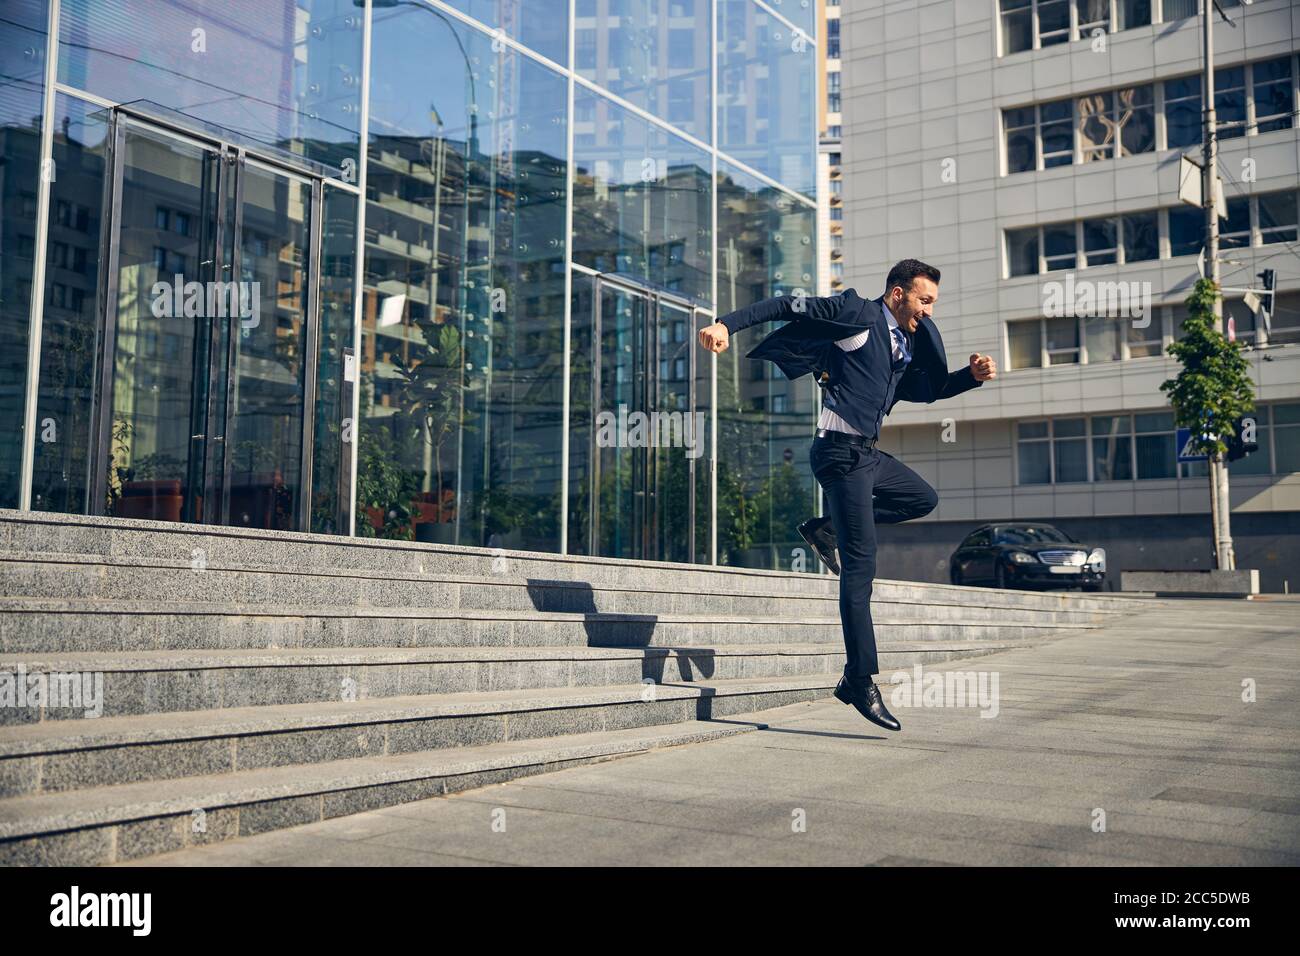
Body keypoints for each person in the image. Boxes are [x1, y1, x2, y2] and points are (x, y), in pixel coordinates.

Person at [697, 259, 997, 731]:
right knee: (862, 565)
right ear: (898, 294)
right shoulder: (855, 312)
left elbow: (927, 390)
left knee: (921, 498)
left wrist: (970, 377)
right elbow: (784, 304)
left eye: (933, 302)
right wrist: (724, 325)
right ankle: (858, 679)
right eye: (924, 299)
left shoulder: (909, 340)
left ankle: (825, 528)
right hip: (837, 454)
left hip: (867, 455)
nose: (929, 310)